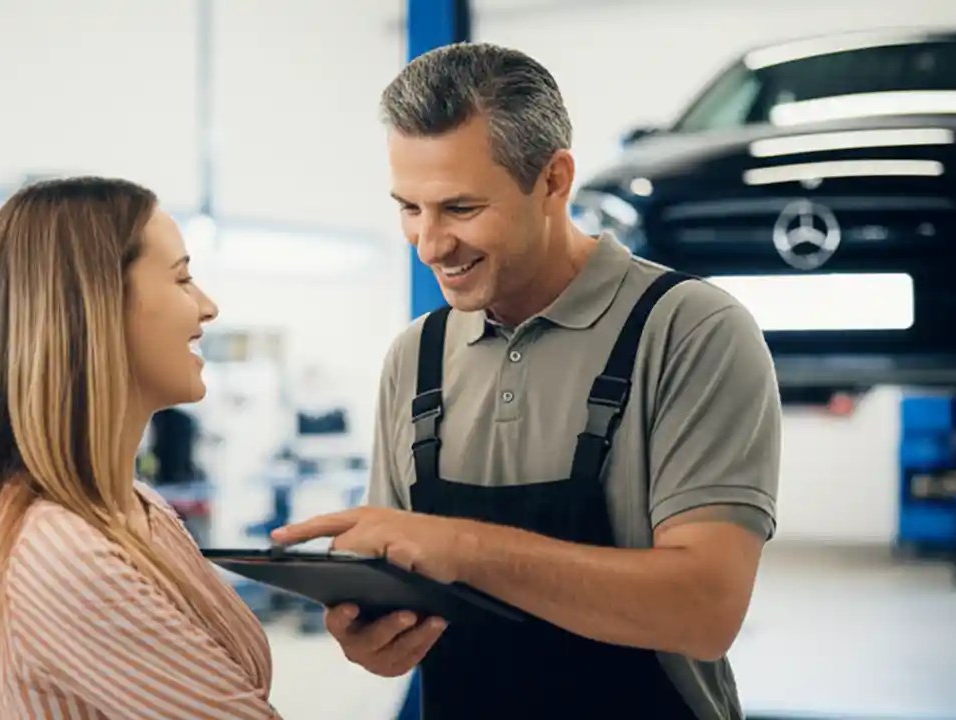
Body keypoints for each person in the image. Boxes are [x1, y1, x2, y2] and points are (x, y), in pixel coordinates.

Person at [272, 42, 781, 719]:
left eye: (459, 208)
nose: (429, 245)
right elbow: (409, 594)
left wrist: (462, 547)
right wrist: (375, 633)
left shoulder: (690, 331)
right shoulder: (416, 357)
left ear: (553, 180)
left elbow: (704, 610)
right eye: (409, 209)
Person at [0, 177, 281, 719]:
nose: (208, 307)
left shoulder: (139, 508)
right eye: (184, 279)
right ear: (96, 306)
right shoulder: (60, 551)